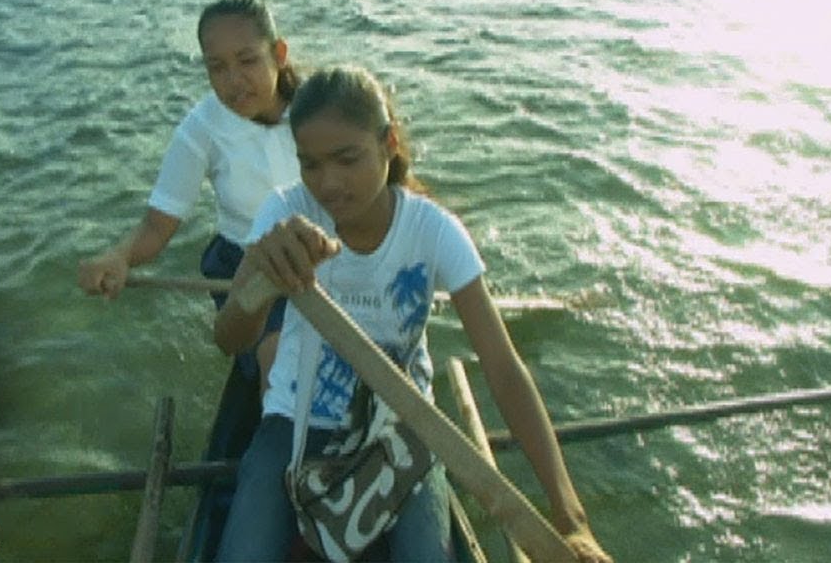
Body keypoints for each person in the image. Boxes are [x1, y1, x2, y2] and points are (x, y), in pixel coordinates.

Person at [213, 67, 611, 562]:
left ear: (389, 144)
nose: (328, 184)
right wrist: (257, 280)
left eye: (347, 158)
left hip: (405, 428)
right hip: (295, 422)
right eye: (310, 164)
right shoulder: (284, 215)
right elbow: (230, 339)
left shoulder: (433, 230)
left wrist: (571, 521)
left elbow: (504, 369)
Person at [78, 0, 298, 388]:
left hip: (321, 258)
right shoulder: (202, 128)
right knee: (281, 363)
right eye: (218, 68)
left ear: (279, 53)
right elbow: (158, 226)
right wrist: (119, 256)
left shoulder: (321, 107)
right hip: (248, 268)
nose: (234, 81)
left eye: (248, 60)